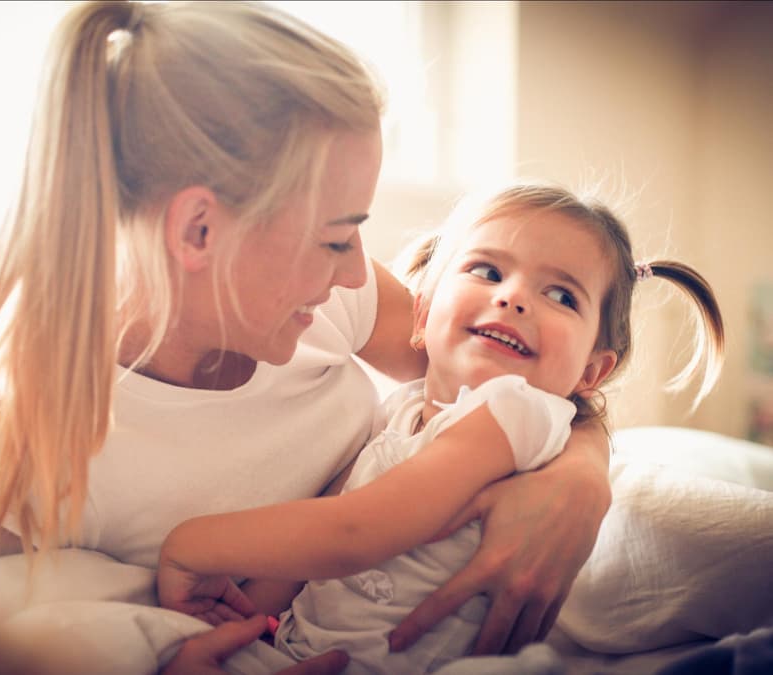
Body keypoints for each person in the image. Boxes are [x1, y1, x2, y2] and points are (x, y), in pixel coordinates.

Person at [0, 1, 613, 672]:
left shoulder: (331, 297)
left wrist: (582, 472)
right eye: (337, 239)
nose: (363, 270)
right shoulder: (16, 447)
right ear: (199, 231)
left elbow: (520, 377)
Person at [157, 183, 725, 674]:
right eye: (488, 271)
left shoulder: (515, 412)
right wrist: (249, 616)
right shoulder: (400, 411)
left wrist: (192, 547)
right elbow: (320, 542)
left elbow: (354, 531)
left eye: (561, 295)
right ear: (422, 313)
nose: (513, 298)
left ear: (590, 371)